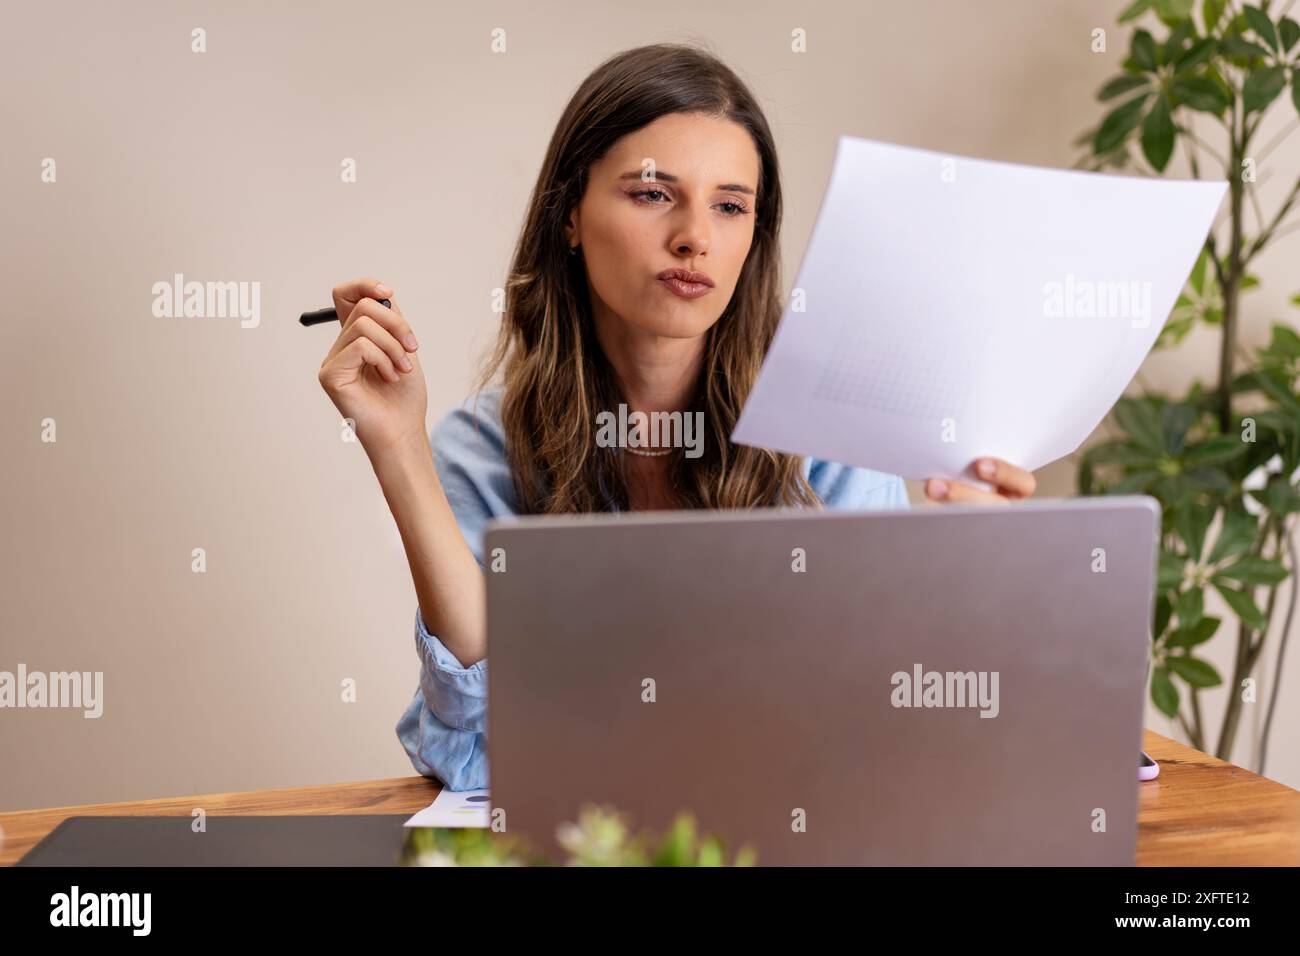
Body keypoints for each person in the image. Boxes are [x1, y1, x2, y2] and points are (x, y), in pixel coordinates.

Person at [316, 43, 1036, 791]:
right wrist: (397, 444)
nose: (696, 235)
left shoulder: (828, 447)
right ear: (569, 216)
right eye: (654, 193)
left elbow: (888, 725)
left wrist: (979, 592)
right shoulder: (484, 449)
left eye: (730, 206)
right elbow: (472, 742)